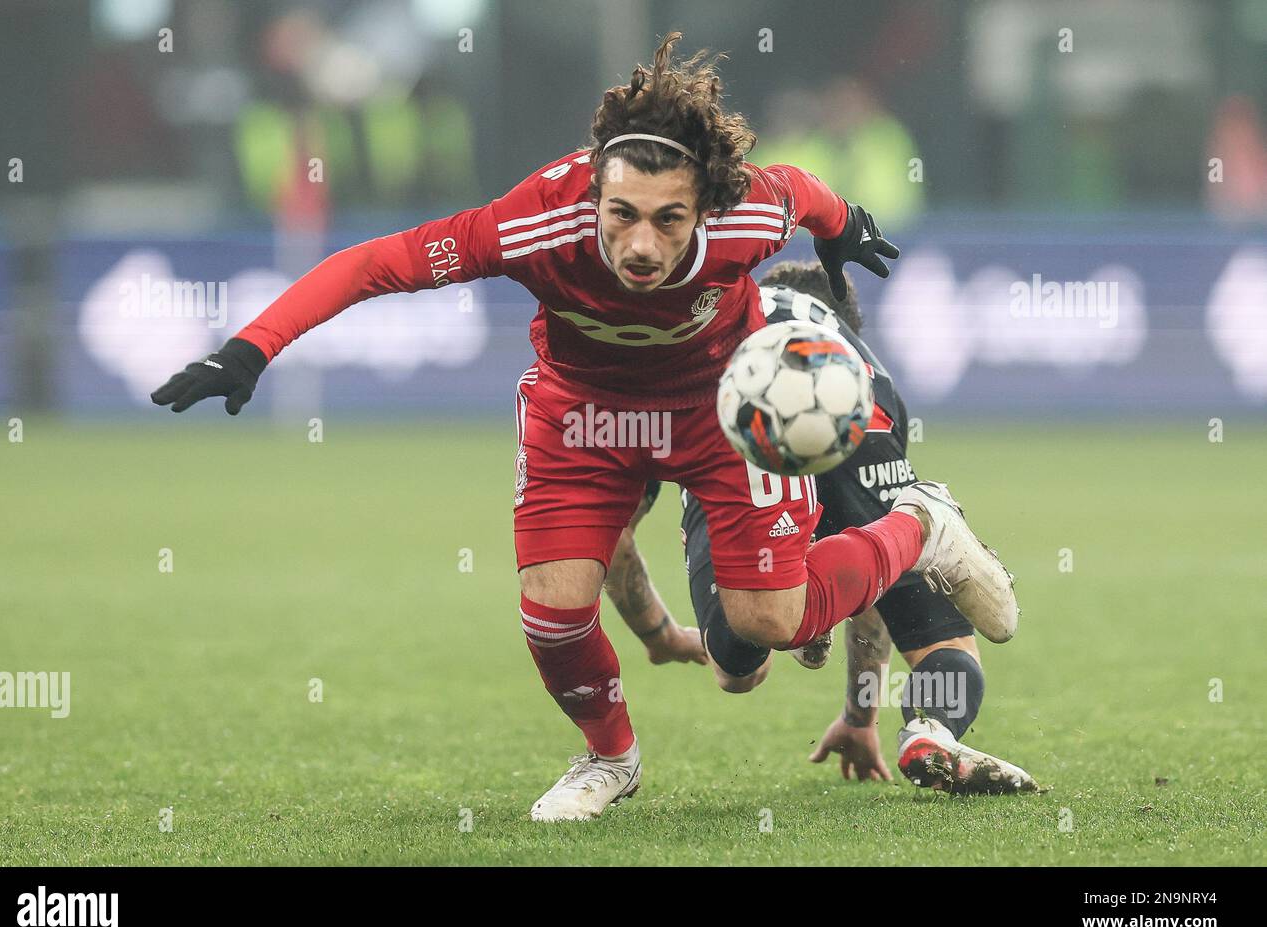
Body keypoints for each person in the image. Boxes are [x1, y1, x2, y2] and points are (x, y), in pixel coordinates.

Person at [150, 33, 1018, 820]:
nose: (642, 243)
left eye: (668, 220)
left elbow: (811, 195)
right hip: (583, 414)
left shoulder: (748, 211)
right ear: (595, 191)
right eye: (623, 214)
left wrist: (847, 231)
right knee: (552, 616)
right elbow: (377, 264)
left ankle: (923, 523)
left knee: (768, 625)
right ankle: (610, 758)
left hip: (719, 410)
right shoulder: (534, 221)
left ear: (702, 207)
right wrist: (252, 348)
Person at [608, 262, 1037, 794]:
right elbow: (875, 582)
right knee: (940, 639)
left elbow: (612, 535)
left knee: (737, 669)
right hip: (855, 411)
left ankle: (804, 600)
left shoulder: (698, 321)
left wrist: (659, 634)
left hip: (729, 419)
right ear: (844, 319)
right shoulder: (867, 362)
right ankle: (932, 729)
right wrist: (861, 714)